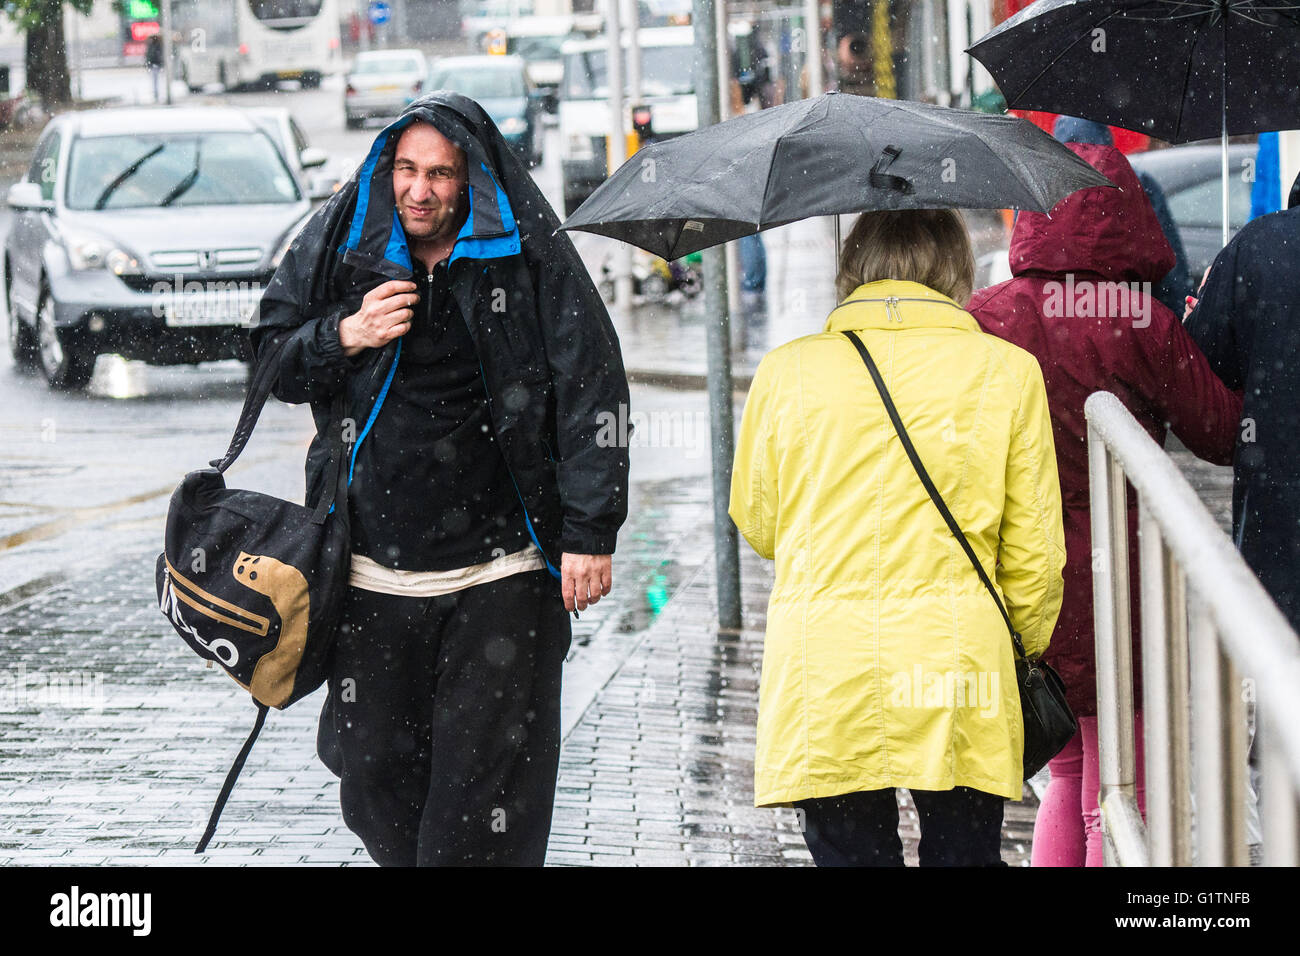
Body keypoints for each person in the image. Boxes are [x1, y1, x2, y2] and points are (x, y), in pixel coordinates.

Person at [250, 92, 630, 866]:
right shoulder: (342, 240)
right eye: (406, 170)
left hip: (502, 577)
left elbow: (593, 385)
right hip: (367, 579)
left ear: (474, 181)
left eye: (441, 175)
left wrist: (591, 532)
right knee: (375, 783)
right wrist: (343, 333)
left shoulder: (524, 255)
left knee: (483, 805)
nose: (419, 191)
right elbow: (267, 363)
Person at [730, 208, 1066, 867]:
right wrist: (1018, 645)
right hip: (959, 661)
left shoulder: (785, 371)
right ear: (955, 269)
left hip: (827, 665)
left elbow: (762, 524)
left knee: (852, 855)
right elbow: (1035, 555)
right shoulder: (1009, 371)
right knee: (965, 854)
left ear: (852, 267)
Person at [967, 143, 1242, 867]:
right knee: (1123, 782)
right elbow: (1218, 432)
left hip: (1022, 573)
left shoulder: (987, 317)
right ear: (1129, 216)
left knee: (1062, 768)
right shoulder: (1140, 320)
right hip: (1119, 579)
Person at [1185, 171, 1300, 630]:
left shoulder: (1259, 244)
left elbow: (1205, 361)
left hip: (1280, 499)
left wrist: (1207, 303)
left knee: (1276, 652)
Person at [1051, 116, 1193, 319]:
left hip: (1059, 314)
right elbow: (1168, 267)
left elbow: (1026, 260)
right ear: (1106, 140)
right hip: (1129, 316)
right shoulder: (1138, 182)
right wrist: (1178, 319)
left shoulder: (1044, 185)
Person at [144, 33, 164, 103]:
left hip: (154, 65)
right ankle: (156, 94)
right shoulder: (156, 46)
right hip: (155, 65)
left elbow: (149, 56)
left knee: (155, 80)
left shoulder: (153, 46)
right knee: (156, 80)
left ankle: (156, 94)